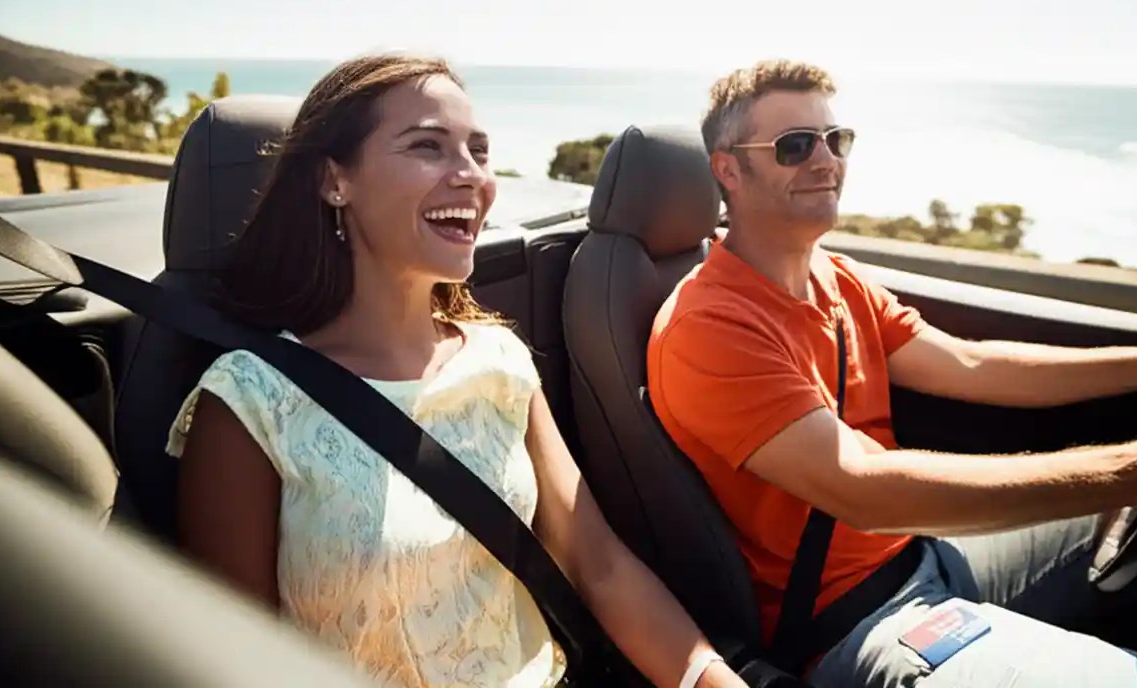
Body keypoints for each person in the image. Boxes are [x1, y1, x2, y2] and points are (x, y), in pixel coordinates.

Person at [647, 59, 1137, 687]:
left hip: (924, 554)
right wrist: (1130, 469)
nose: (827, 160)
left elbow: (972, 364)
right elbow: (858, 489)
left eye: (837, 140)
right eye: (795, 145)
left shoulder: (835, 277)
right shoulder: (709, 326)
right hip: (853, 622)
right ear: (729, 169)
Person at [168, 53, 747, 688]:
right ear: (336, 181)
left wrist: (713, 678)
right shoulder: (251, 400)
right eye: (428, 146)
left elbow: (598, 564)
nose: (471, 175)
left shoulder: (499, 361)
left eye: (479, 151)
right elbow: (237, 661)